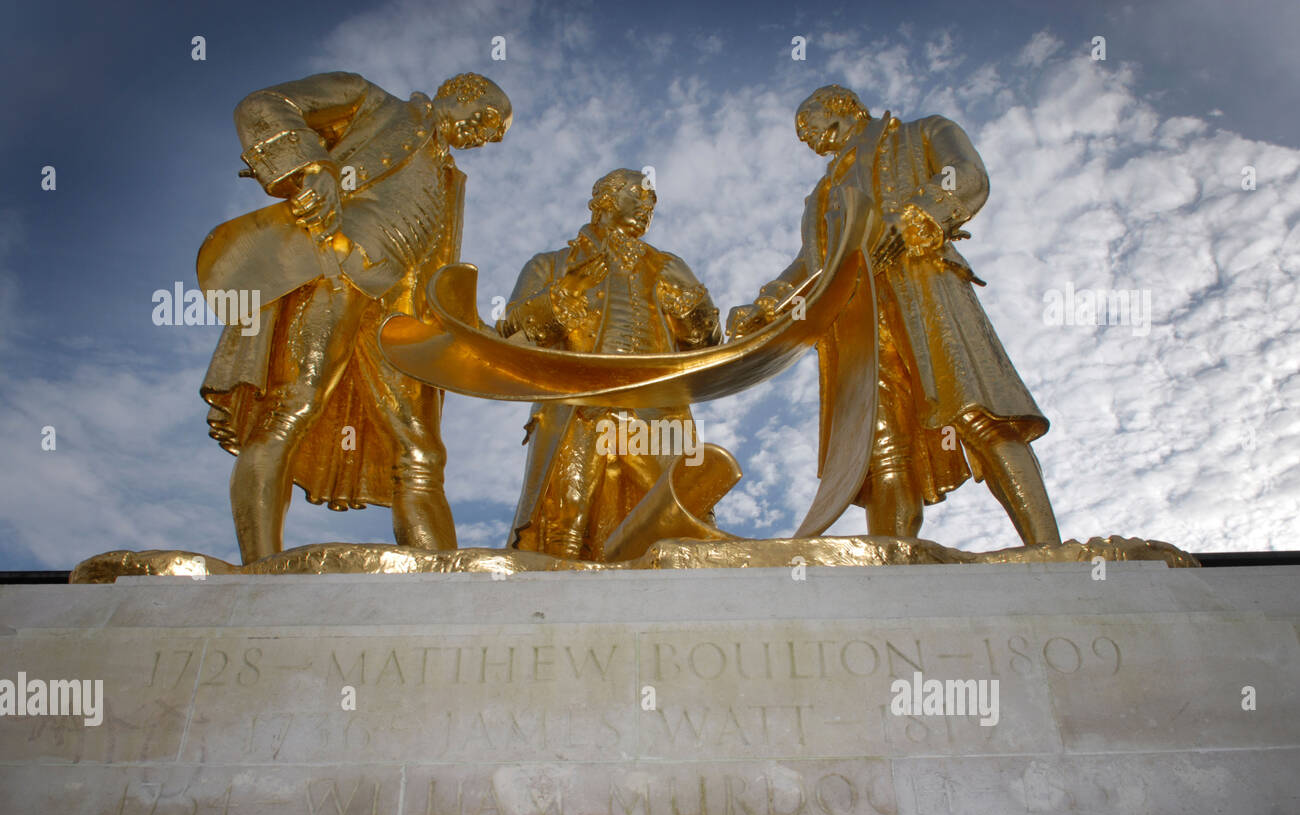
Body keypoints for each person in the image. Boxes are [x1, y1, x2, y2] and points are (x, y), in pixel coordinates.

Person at [199, 70, 511, 562]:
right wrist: (311, 169)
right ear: (461, 94)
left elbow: (437, 279)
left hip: (399, 317)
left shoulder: (450, 180)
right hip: (333, 267)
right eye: (489, 119)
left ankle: (446, 588)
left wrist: (495, 337)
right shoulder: (371, 102)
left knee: (423, 452)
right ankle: (260, 573)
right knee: (291, 408)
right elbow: (262, 102)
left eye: (495, 133)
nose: (489, 136)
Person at [729, 84, 1060, 545]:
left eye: (809, 122)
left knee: (976, 410)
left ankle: (1049, 551)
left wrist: (911, 218)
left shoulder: (923, 131)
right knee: (880, 448)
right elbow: (814, 263)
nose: (806, 137)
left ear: (841, 107)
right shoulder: (822, 195)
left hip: (921, 282)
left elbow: (964, 175)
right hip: (854, 317)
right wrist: (770, 301)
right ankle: (892, 576)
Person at [498, 169, 721, 560]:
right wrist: (562, 297)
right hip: (577, 404)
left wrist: (693, 301)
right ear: (604, 199)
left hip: (657, 408)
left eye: (651, 202)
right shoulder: (551, 264)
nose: (647, 206)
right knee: (565, 515)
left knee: (679, 515)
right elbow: (510, 337)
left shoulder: (667, 266)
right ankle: (549, 608)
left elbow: (706, 343)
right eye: (637, 195)